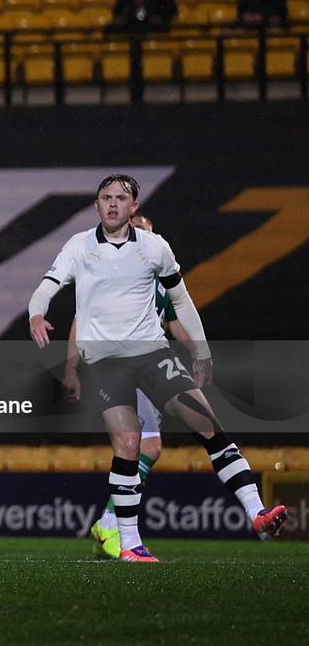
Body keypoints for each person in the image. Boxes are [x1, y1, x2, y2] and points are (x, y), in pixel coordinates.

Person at [28, 174, 288, 562]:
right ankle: (129, 542)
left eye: (121, 198)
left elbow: (181, 303)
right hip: (105, 363)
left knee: (208, 426)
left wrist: (201, 351)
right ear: (96, 205)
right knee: (131, 443)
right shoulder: (79, 246)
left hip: (153, 356)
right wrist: (36, 314)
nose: (113, 204)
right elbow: (48, 285)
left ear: (134, 208)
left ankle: (258, 513)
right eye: (105, 197)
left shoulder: (155, 248)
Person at [75, 213, 191, 558]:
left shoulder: (158, 282)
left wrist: (198, 345)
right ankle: (113, 525)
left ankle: (111, 524)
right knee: (140, 445)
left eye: (147, 232)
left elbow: (173, 324)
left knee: (145, 447)